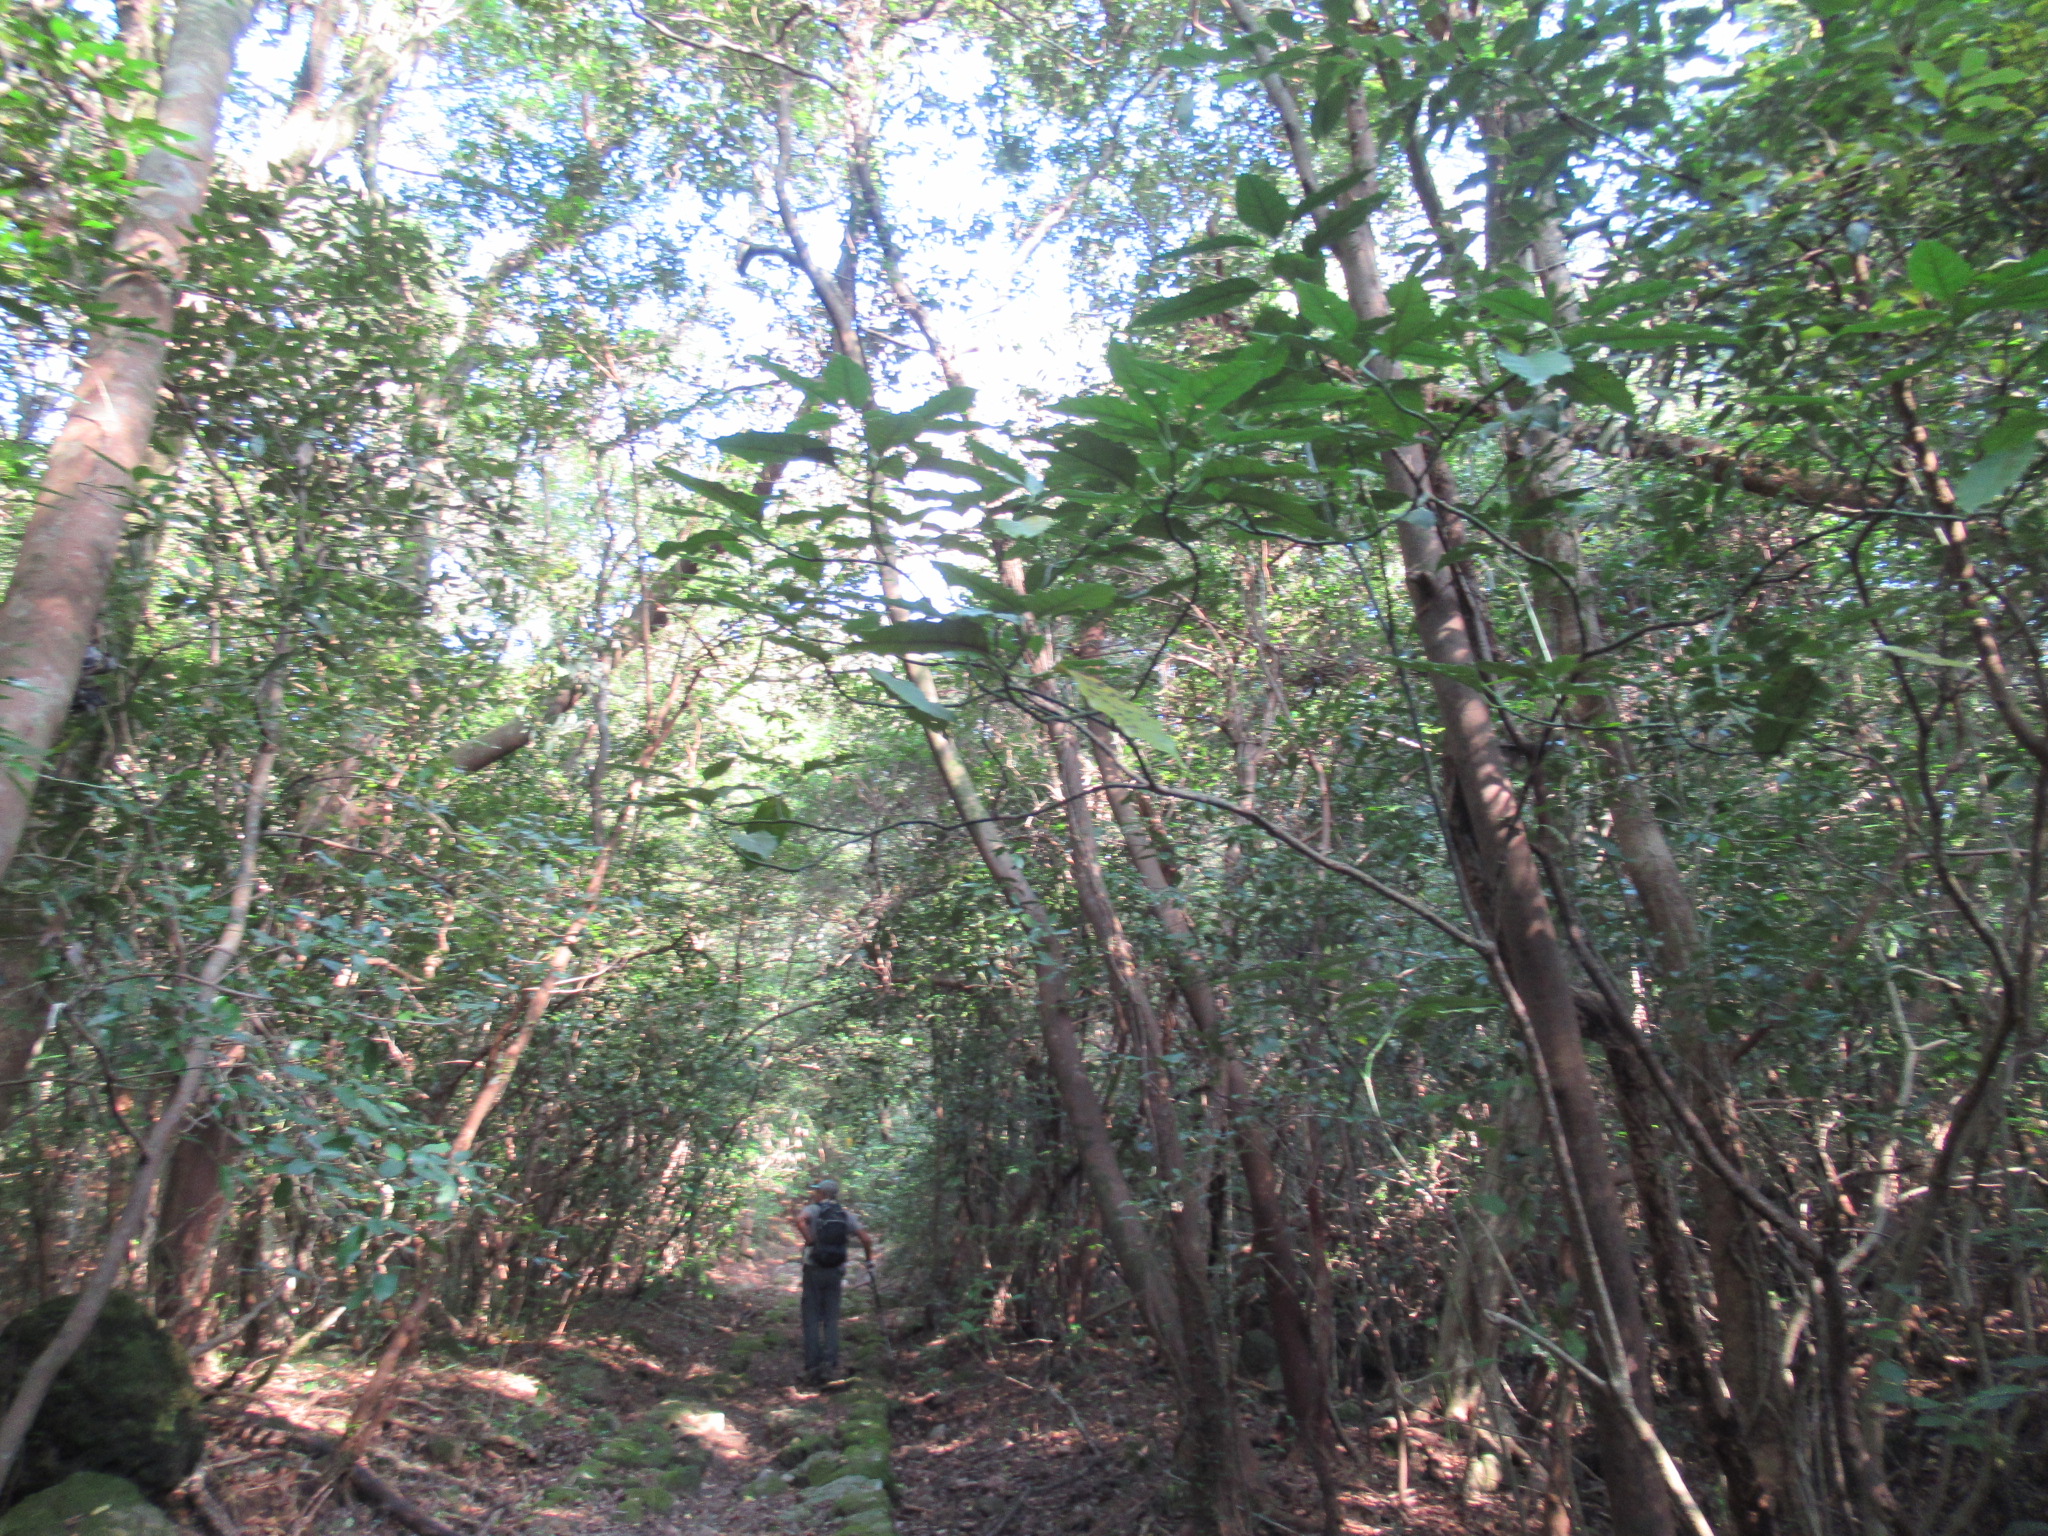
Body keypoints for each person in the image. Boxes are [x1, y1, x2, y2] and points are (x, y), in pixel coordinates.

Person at [792, 1177, 874, 1384]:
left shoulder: (812, 1210)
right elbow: (866, 1239)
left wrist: (810, 1241)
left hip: (813, 1268)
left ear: (822, 1194)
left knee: (811, 1316)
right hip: (835, 1270)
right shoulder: (845, 1215)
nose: (814, 1193)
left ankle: (812, 1365)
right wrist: (869, 1260)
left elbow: (800, 1221)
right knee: (831, 1317)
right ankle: (831, 1363)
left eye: (817, 1191)